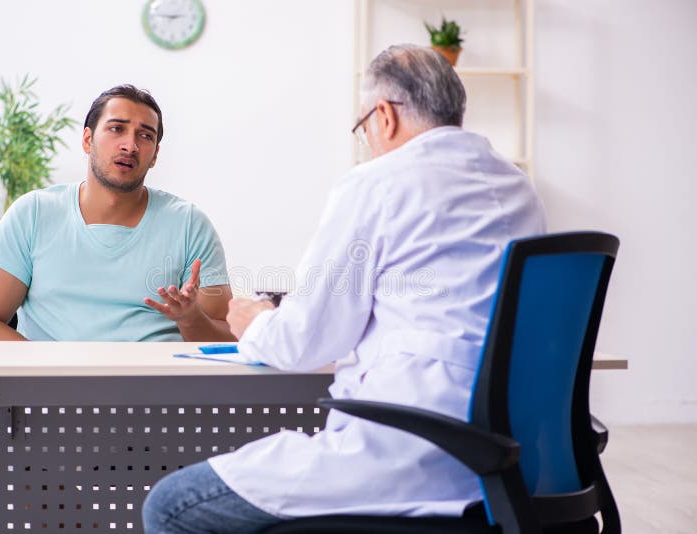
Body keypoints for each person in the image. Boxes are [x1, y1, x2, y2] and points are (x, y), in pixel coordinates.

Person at [142, 44, 546, 533]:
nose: (367, 143)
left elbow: (300, 343)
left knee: (172, 505)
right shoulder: (518, 188)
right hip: (513, 461)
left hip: (409, 453)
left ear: (384, 116)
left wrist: (254, 319)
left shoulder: (378, 184)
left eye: (363, 130)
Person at [0, 85, 235, 342]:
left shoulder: (188, 223)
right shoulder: (33, 213)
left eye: (145, 135)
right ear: (88, 140)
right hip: (53, 390)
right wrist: (58, 372)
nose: (130, 145)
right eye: (117, 129)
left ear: (154, 156)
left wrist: (190, 319)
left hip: (156, 391)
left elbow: (228, 337)